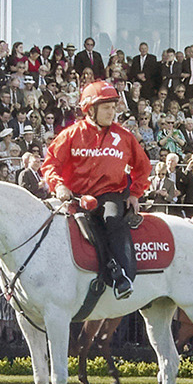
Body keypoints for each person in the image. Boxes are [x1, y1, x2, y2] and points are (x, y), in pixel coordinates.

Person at [43, 80, 153, 295]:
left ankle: (122, 277)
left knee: (112, 220)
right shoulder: (70, 134)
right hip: (74, 197)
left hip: (109, 195)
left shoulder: (124, 136)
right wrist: (59, 185)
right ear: (90, 109)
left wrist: (135, 193)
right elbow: (51, 163)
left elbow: (143, 167)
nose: (112, 112)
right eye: (106, 108)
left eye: (113, 107)